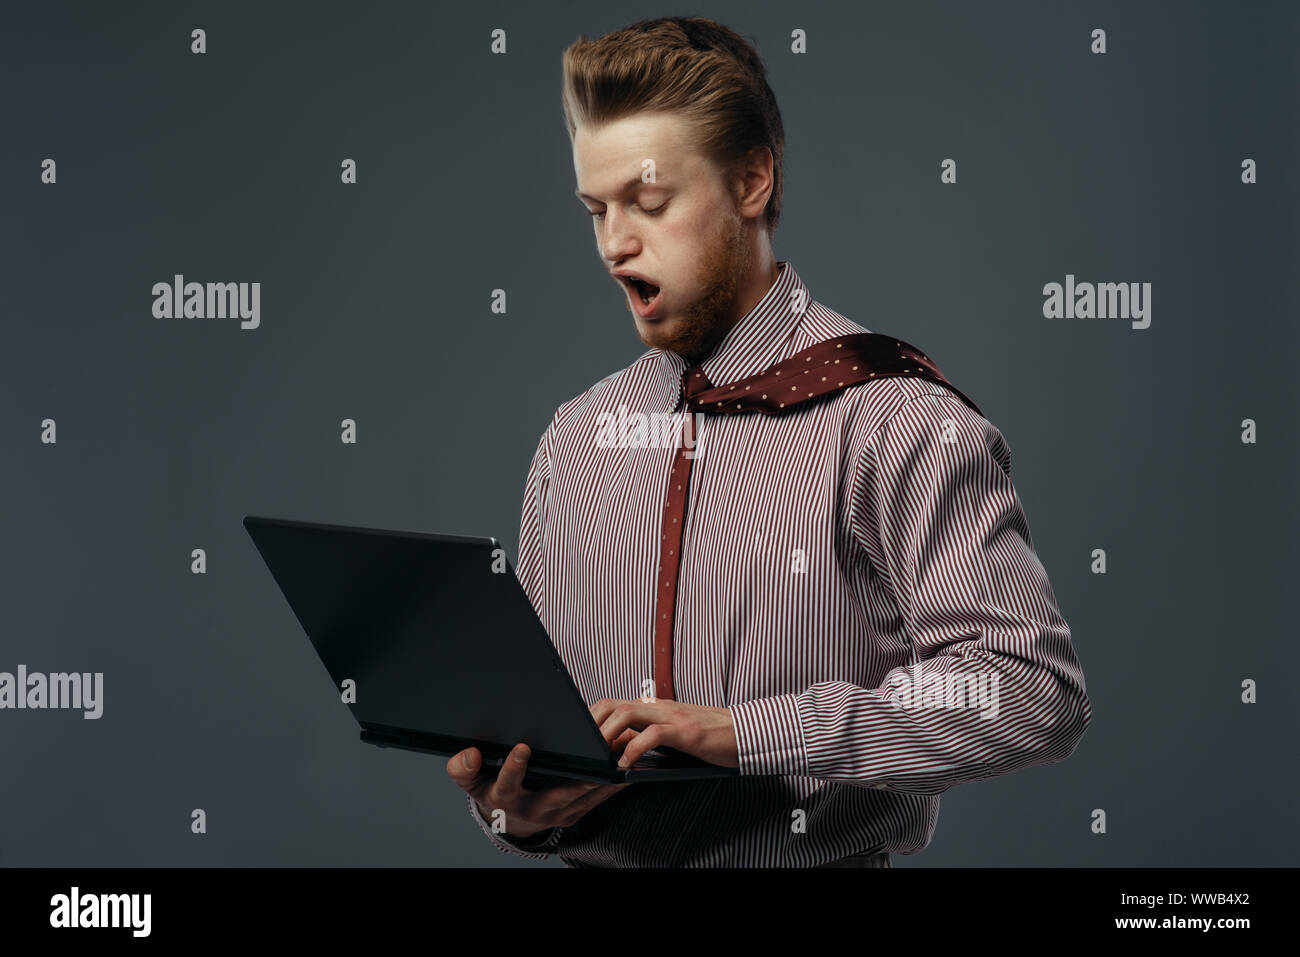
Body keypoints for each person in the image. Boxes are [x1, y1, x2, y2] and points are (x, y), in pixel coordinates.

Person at [446, 16, 1091, 868]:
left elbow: (1031, 689)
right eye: (596, 210)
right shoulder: (575, 439)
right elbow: (542, 746)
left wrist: (751, 733)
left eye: (649, 202)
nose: (613, 245)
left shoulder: (896, 420)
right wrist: (520, 811)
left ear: (752, 181)